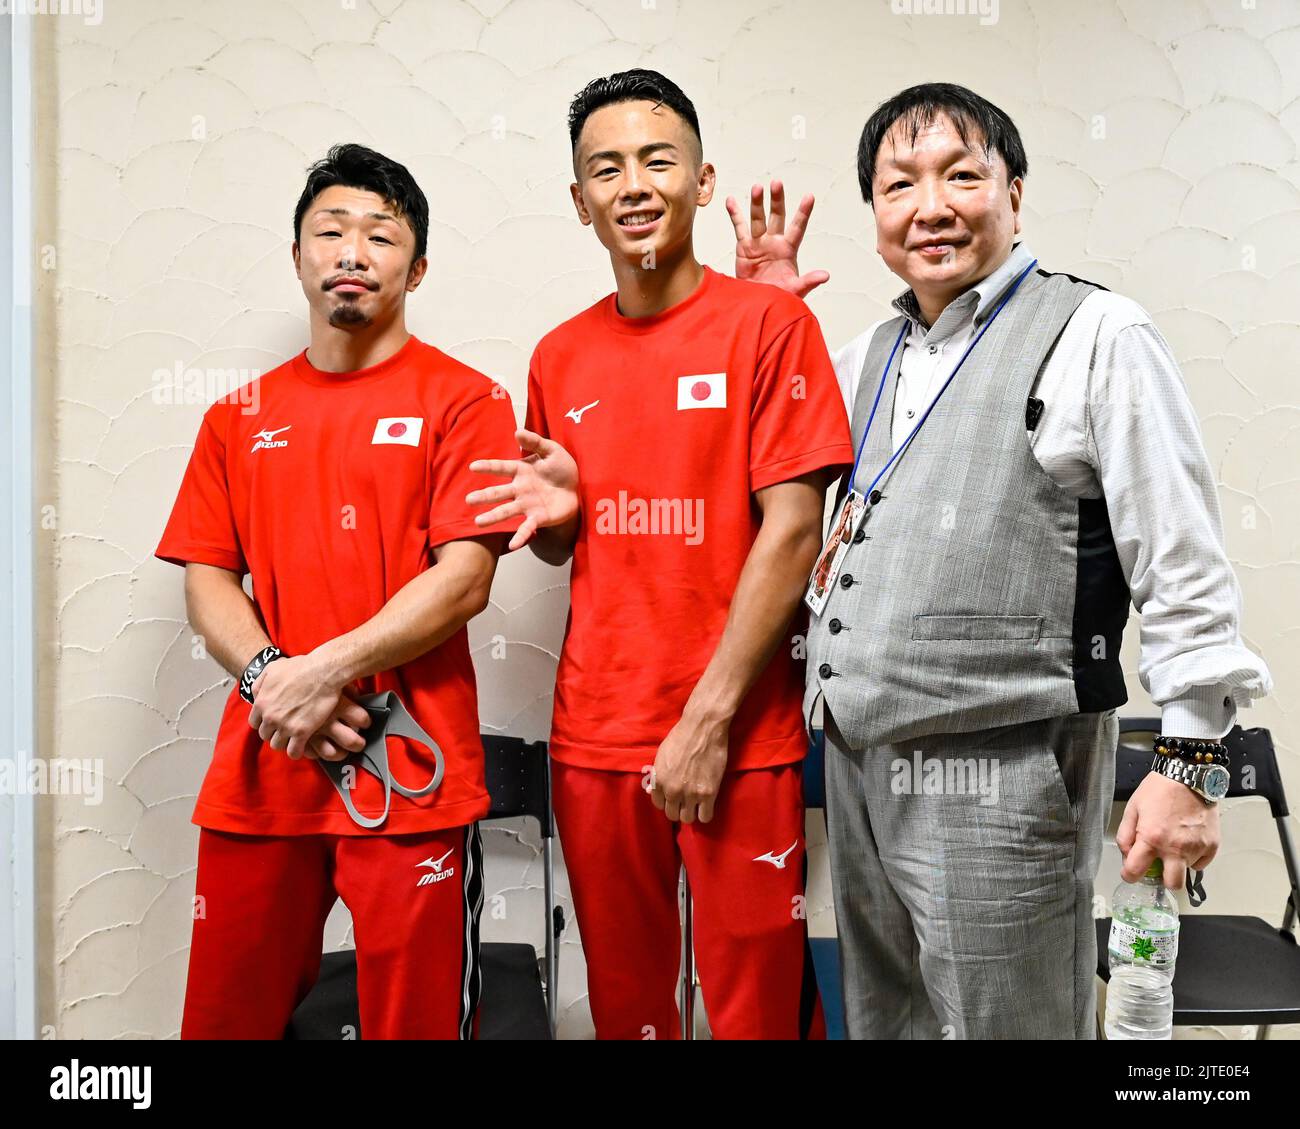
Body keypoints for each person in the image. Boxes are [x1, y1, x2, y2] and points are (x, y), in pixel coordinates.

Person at [729, 82, 1273, 1039]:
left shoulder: (1100, 335)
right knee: (887, 1022)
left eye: (962, 175)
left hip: (1004, 771)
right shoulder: (861, 358)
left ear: (1014, 194)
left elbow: (1180, 558)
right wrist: (769, 336)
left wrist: (1193, 759)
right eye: (900, 185)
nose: (931, 206)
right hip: (859, 766)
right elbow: (787, 515)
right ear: (875, 216)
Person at [467, 69, 852, 1039]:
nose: (633, 184)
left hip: (740, 734)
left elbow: (794, 530)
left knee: (759, 1013)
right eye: (607, 169)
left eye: (657, 159)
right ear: (579, 201)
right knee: (628, 1010)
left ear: (702, 179)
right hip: (597, 736)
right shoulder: (559, 355)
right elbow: (570, 544)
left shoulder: (771, 325)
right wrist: (561, 517)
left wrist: (706, 721)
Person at [156, 143, 522, 1039]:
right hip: (266, 762)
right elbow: (209, 578)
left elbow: (465, 578)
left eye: (381, 236)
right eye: (330, 231)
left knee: (416, 1025)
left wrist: (321, 673)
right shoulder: (235, 417)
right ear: (298, 257)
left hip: (410, 770)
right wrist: (273, 681)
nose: (352, 252)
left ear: (417, 268)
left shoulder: (467, 401)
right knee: (222, 1022)